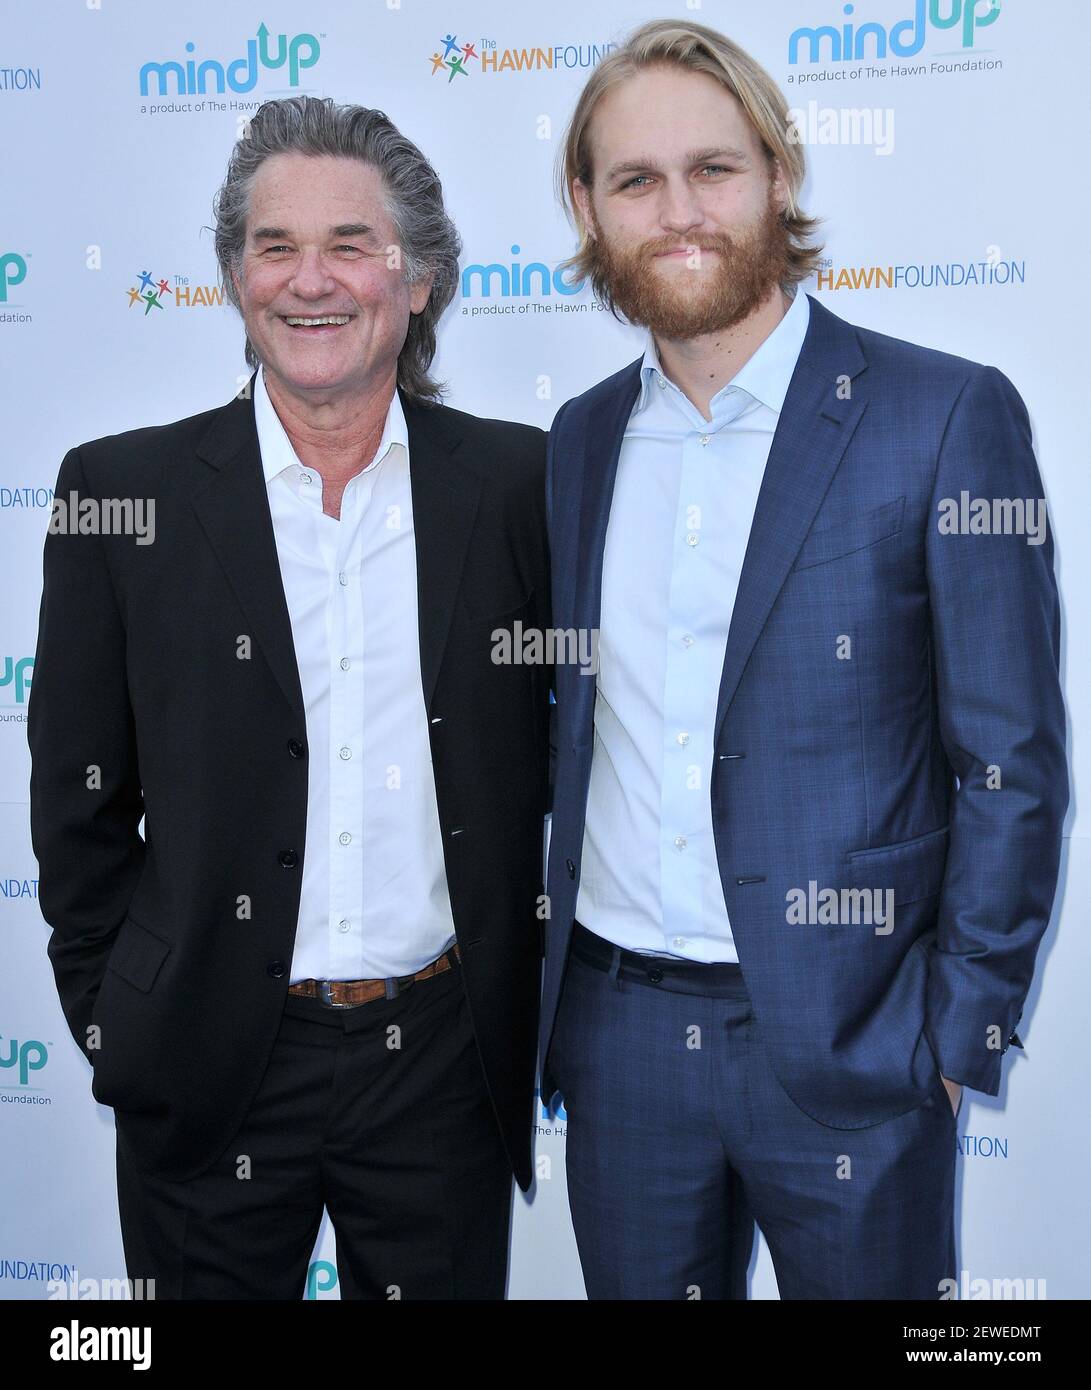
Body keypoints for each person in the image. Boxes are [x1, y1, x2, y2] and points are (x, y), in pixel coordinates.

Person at [538, 19, 1067, 1300]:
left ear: (778, 175)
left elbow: (1008, 762)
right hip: (619, 1042)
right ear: (587, 207)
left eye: (712, 170)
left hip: (856, 1047)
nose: (678, 211)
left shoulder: (941, 414)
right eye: (634, 179)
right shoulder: (579, 439)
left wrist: (955, 1035)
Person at [28, 95, 551, 1300]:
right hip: (205, 1061)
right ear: (233, 277)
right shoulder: (123, 495)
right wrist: (122, 1025)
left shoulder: (519, 484)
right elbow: (76, 805)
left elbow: (571, 754)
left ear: (416, 281)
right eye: (275, 247)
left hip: (437, 1061)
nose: (309, 281)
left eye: (349, 245)